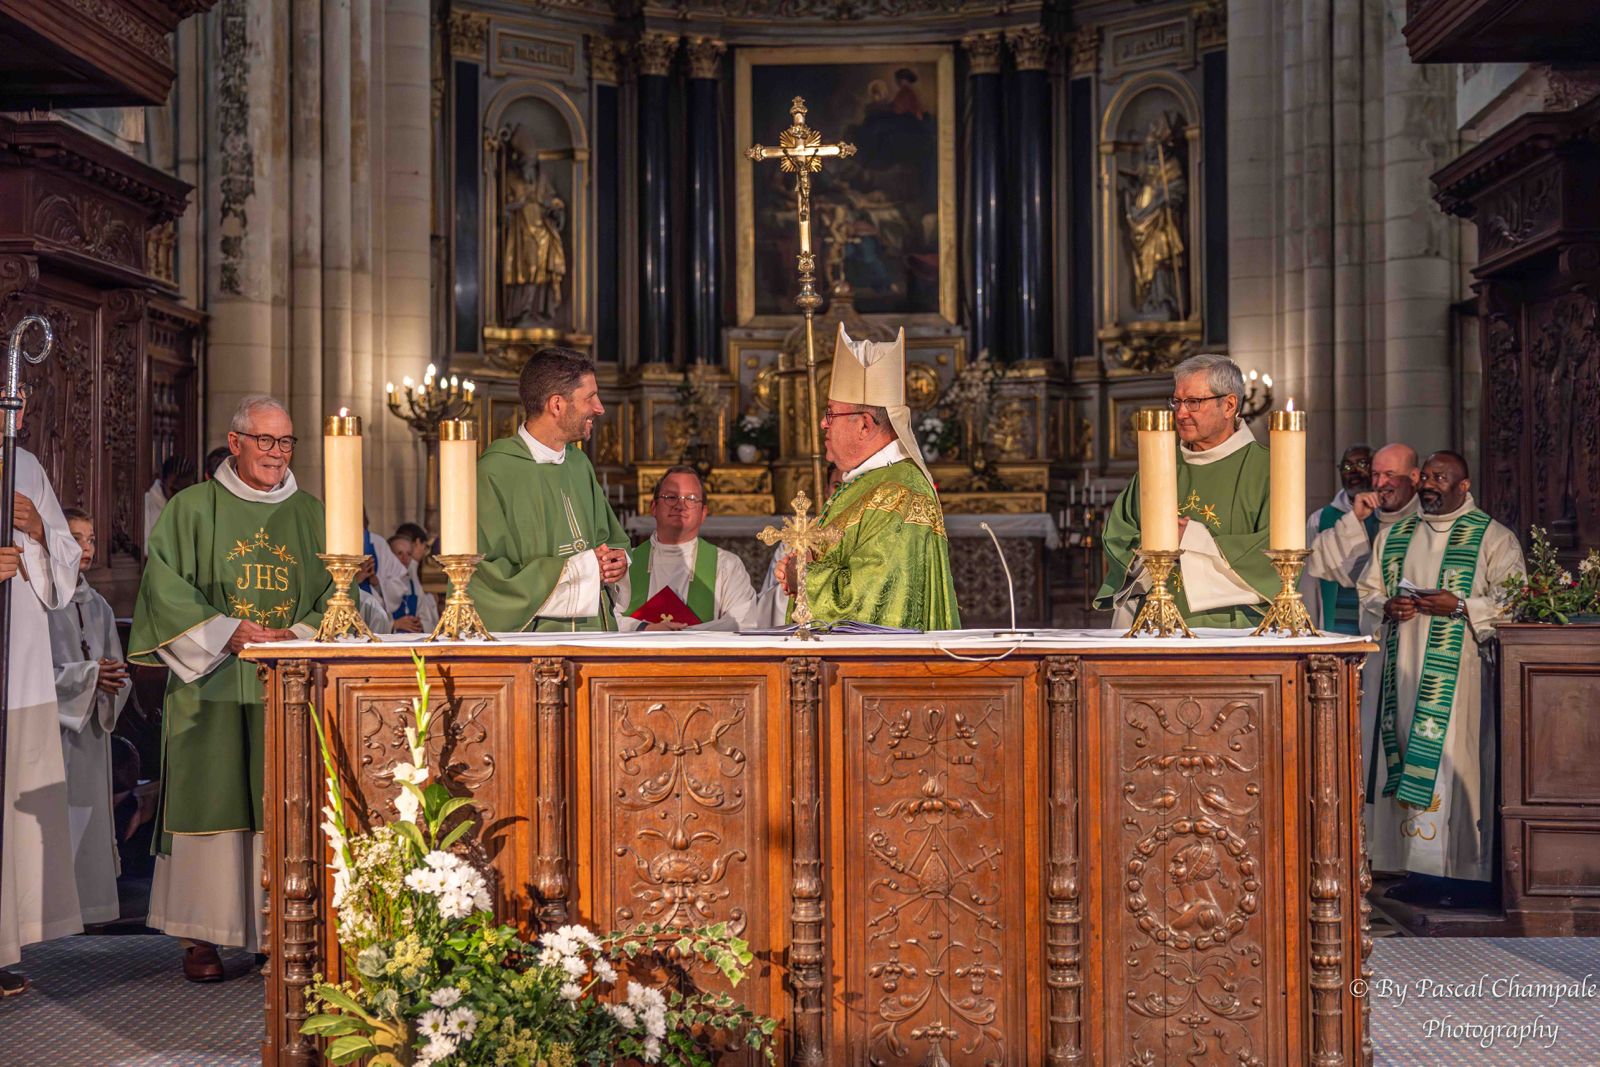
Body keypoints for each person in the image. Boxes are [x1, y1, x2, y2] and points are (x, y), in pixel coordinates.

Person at [129, 394, 332, 981]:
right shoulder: (193, 508)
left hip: (288, 680)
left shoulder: (315, 513)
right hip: (210, 680)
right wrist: (227, 630)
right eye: (265, 441)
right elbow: (163, 589)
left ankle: (280, 928)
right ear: (236, 441)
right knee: (212, 798)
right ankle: (203, 935)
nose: (277, 453)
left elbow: (340, 597)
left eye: (286, 441)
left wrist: (296, 632)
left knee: (285, 801)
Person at [1357, 451, 1523, 905]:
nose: (1429, 485)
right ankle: (1415, 868)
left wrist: (1464, 606)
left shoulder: (1491, 536)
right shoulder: (1397, 535)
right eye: (1426, 477)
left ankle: (1460, 876)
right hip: (1403, 675)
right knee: (1406, 752)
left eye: (1440, 478)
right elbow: (1369, 590)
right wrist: (1389, 607)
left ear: (1463, 486)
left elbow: (1514, 600)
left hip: (1461, 680)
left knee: (1454, 764)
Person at [776, 324, 959, 630]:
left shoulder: (899, 492)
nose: (822, 423)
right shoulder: (865, 484)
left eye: (831, 414)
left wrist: (804, 578)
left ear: (864, 425)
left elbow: (873, 600)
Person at [0, 389, 84, 996]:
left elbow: (67, 561)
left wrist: (33, 535)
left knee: (14, 812)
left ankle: (4, 944)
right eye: (8, 401)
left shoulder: (27, 465)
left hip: (21, 664)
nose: (17, 414)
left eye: (23, 404)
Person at [1096, 353, 1276, 628]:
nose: (1180, 413)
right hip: (1152, 627)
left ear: (1229, 405)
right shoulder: (1158, 463)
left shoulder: (1267, 468)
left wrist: (1191, 538)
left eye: (1193, 402)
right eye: (1177, 401)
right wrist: (1155, 543)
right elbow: (1118, 538)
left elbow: (1275, 558)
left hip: (1232, 633)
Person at [470, 347, 629, 631]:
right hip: (534, 643)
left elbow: (612, 540)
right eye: (590, 397)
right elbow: (487, 576)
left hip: (595, 636)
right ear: (557, 405)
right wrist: (581, 569)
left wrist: (617, 562)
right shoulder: (495, 471)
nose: (600, 408)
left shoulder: (580, 464)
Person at [47, 508, 131, 927]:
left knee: (89, 818)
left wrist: (110, 679)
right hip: (53, 733)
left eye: (92, 538)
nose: (86, 548)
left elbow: (117, 667)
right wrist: (90, 674)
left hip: (92, 731)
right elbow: (28, 677)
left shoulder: (96, 603)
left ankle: (87, 910)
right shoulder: (39, 602)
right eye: (76, 538)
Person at [613, 467, 762, 632]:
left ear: (703, 512)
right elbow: (605, 618)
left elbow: (743, 622)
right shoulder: (625, 564)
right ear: (653, 507)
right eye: (670, 497)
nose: (680, 505)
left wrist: (680, 634)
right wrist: (644, 628)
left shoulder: (727, 566)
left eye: (691, 498)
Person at [1303, 443, 1420, 634]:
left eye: (1389, 475)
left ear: (1414, 477)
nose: (1380, 483)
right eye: (1376, 474)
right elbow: (1318, 565)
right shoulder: (1356, 518)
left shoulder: (1428, 521)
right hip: (1357, 633)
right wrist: (1354, 519)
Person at [1301, 443, 1374, 633]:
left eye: (1362, 464)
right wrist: (1310, 629)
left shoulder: (1386, 514)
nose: (1354, 472)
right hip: (1333, 620)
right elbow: (1309, 581)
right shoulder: (1320, 519)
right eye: (1347, 466)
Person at [388, 527, 439, 634]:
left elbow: (427, 619)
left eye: (409, 554)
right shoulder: (380, 584)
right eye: (400, 553)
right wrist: (394, 624)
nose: (405, 559)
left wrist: (421, 624)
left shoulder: (411, 582)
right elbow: (371, 620)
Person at [143, 455, 195, 549]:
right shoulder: (146, 502)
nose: (179, 495)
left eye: (185, 491)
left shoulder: (194, 505)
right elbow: (145, 548)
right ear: (163, 480)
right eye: (174, 490)